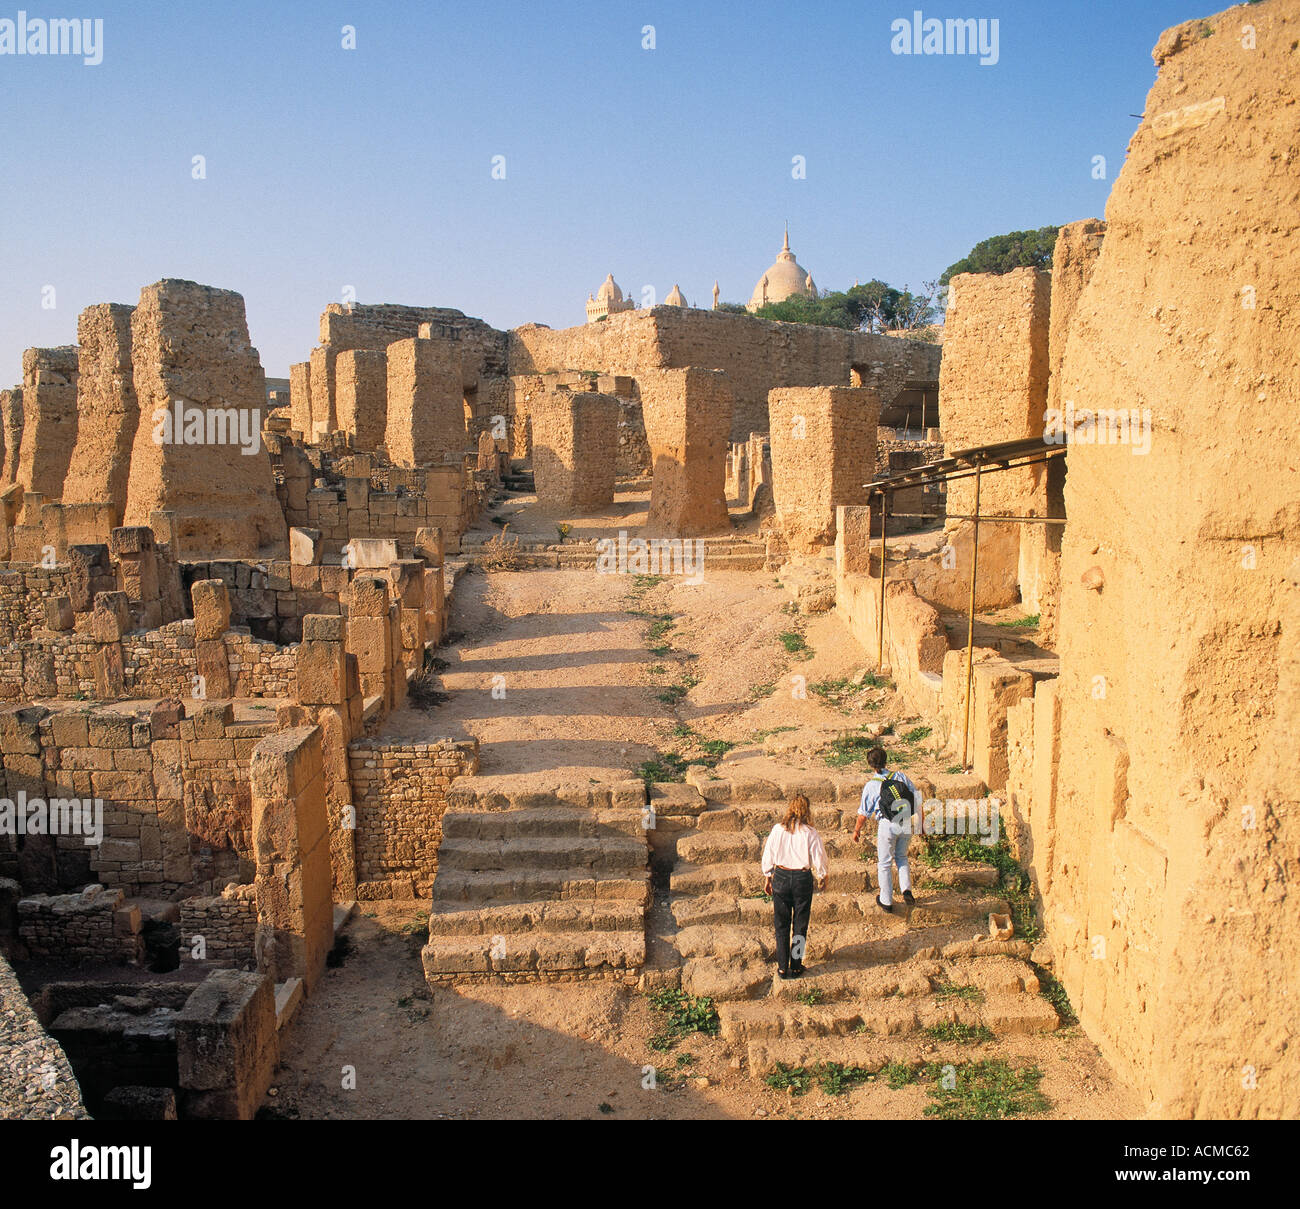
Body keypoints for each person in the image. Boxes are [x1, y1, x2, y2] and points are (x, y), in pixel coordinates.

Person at [761, 794, 829, 979]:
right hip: (802, 879)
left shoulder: (777, 830)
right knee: (800, 925)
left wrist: (768, 876)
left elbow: (769, 854)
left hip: (781, 877)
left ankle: (782, 967)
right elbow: (819, 858)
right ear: (807, 811)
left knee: (781, 924)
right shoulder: (810, 833)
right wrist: (823, 875)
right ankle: (796, 965)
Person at [852, 746, 921, 913]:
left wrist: (856, 830)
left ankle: (886, 900)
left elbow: (863, 814)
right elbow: (917, 798)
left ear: (870, 764)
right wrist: (921, 823)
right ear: (886, 760)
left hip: (887, 824)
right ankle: (906, 890)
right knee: (902, 857)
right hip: (904, 821)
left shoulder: (871, 785)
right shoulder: (900, 776)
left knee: (884, 863)